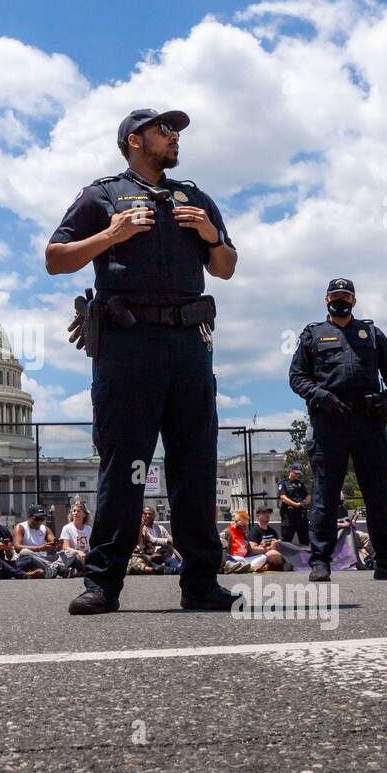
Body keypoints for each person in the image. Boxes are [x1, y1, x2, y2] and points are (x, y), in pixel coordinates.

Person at [46, 108, 240, 615]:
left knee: (195, 464)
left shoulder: (194, 197)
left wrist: (211, 236)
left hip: (189, 341)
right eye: (164, 130)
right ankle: (103, 584)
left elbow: (226, 269)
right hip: (128, 344)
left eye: (176, 131)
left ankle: (201, 582)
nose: (174, 137)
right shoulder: (102, 195)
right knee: (125, 465)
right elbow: (55, 258)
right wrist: (112, 234)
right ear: (135, 140)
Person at [288, 277, 387, 582]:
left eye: (345, 296)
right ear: (326, 300)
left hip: (369, 421)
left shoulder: (370, 333)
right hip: (330, 421)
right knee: (325, 496)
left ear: (354, 300)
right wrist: (322, 396)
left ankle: (386, 561)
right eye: (335, 296)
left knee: (377, 496)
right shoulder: (313, 335)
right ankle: (320, 561)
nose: (340, 300)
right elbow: (296, 376)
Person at [14, 504, 73, 578]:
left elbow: (52, 540)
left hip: (43, 561)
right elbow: (17, 547)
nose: (39, 522)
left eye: (42, 519)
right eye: (37, 519)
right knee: (25, 552)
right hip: (27, 561)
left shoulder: (44, 528)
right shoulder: (20, 527)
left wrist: (57, 544)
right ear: (29, 516)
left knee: (70, 553)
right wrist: (39, 548)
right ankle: (57, 569)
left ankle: (52, 571)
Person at [129, 506, 182, 575]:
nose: (147, 516)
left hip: (158, 554)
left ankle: (181, 567)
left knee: (169, 560)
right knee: (153, 563)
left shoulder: (157, 529)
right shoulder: (134, 529)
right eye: (145, 514)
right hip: (143, 556)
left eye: (149, 514)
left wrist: (168, 540)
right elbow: (137, 547)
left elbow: (153, 540)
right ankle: (172, 570)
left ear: (154, 515)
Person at [276, 464, 311, 545]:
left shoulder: (300, 484)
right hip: (289, 516)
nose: (297, 475)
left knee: (305, 541)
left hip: (301, 516)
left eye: (298, 473)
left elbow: (308, 495)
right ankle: (285, 557)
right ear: (291, 471)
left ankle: (304, 557)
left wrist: (305, 502)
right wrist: (296, 504)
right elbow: (283, 497)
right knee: (287, 540)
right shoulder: (283, 483)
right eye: (295, 473)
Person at [58, 501, 92, 573]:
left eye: (78, 511)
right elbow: (65, 547)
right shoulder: (67, 528)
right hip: (74, 557)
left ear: (84, 514)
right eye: (74, 511)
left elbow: (92, 546)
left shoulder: (89, 529)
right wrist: (78, 552)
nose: (75, 513)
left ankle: (81, 570)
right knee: (67, 556)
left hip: (87, 557)